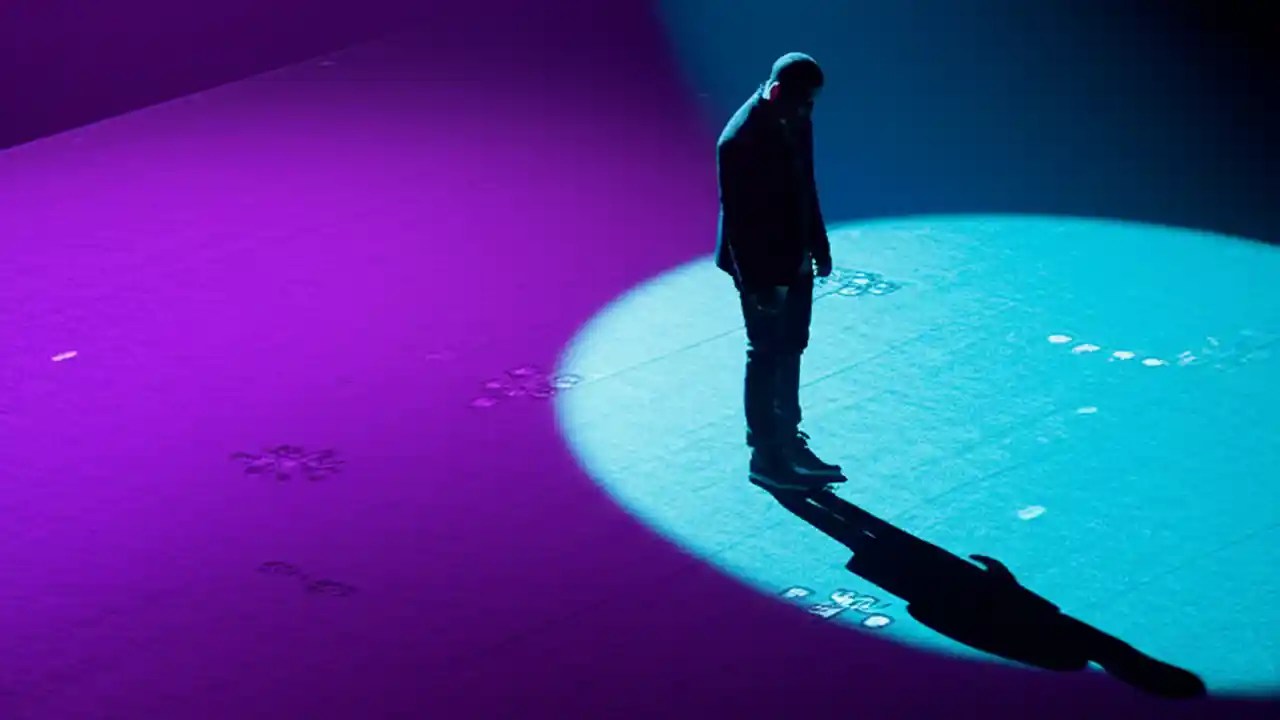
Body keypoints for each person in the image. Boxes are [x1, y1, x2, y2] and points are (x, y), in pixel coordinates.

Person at [715, 52, 844, 491]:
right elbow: (739, 224)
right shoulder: (739, 141)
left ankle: (788, 439)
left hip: (795, 257)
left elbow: (806, 185)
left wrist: (818, 247)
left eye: (812, 103)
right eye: (803, 102)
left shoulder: (795, 116)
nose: (809, 111)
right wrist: (760, 287)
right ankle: (765, 456)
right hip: (762, 266)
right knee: (766, 352)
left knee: (792, 346)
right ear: (774, 93)